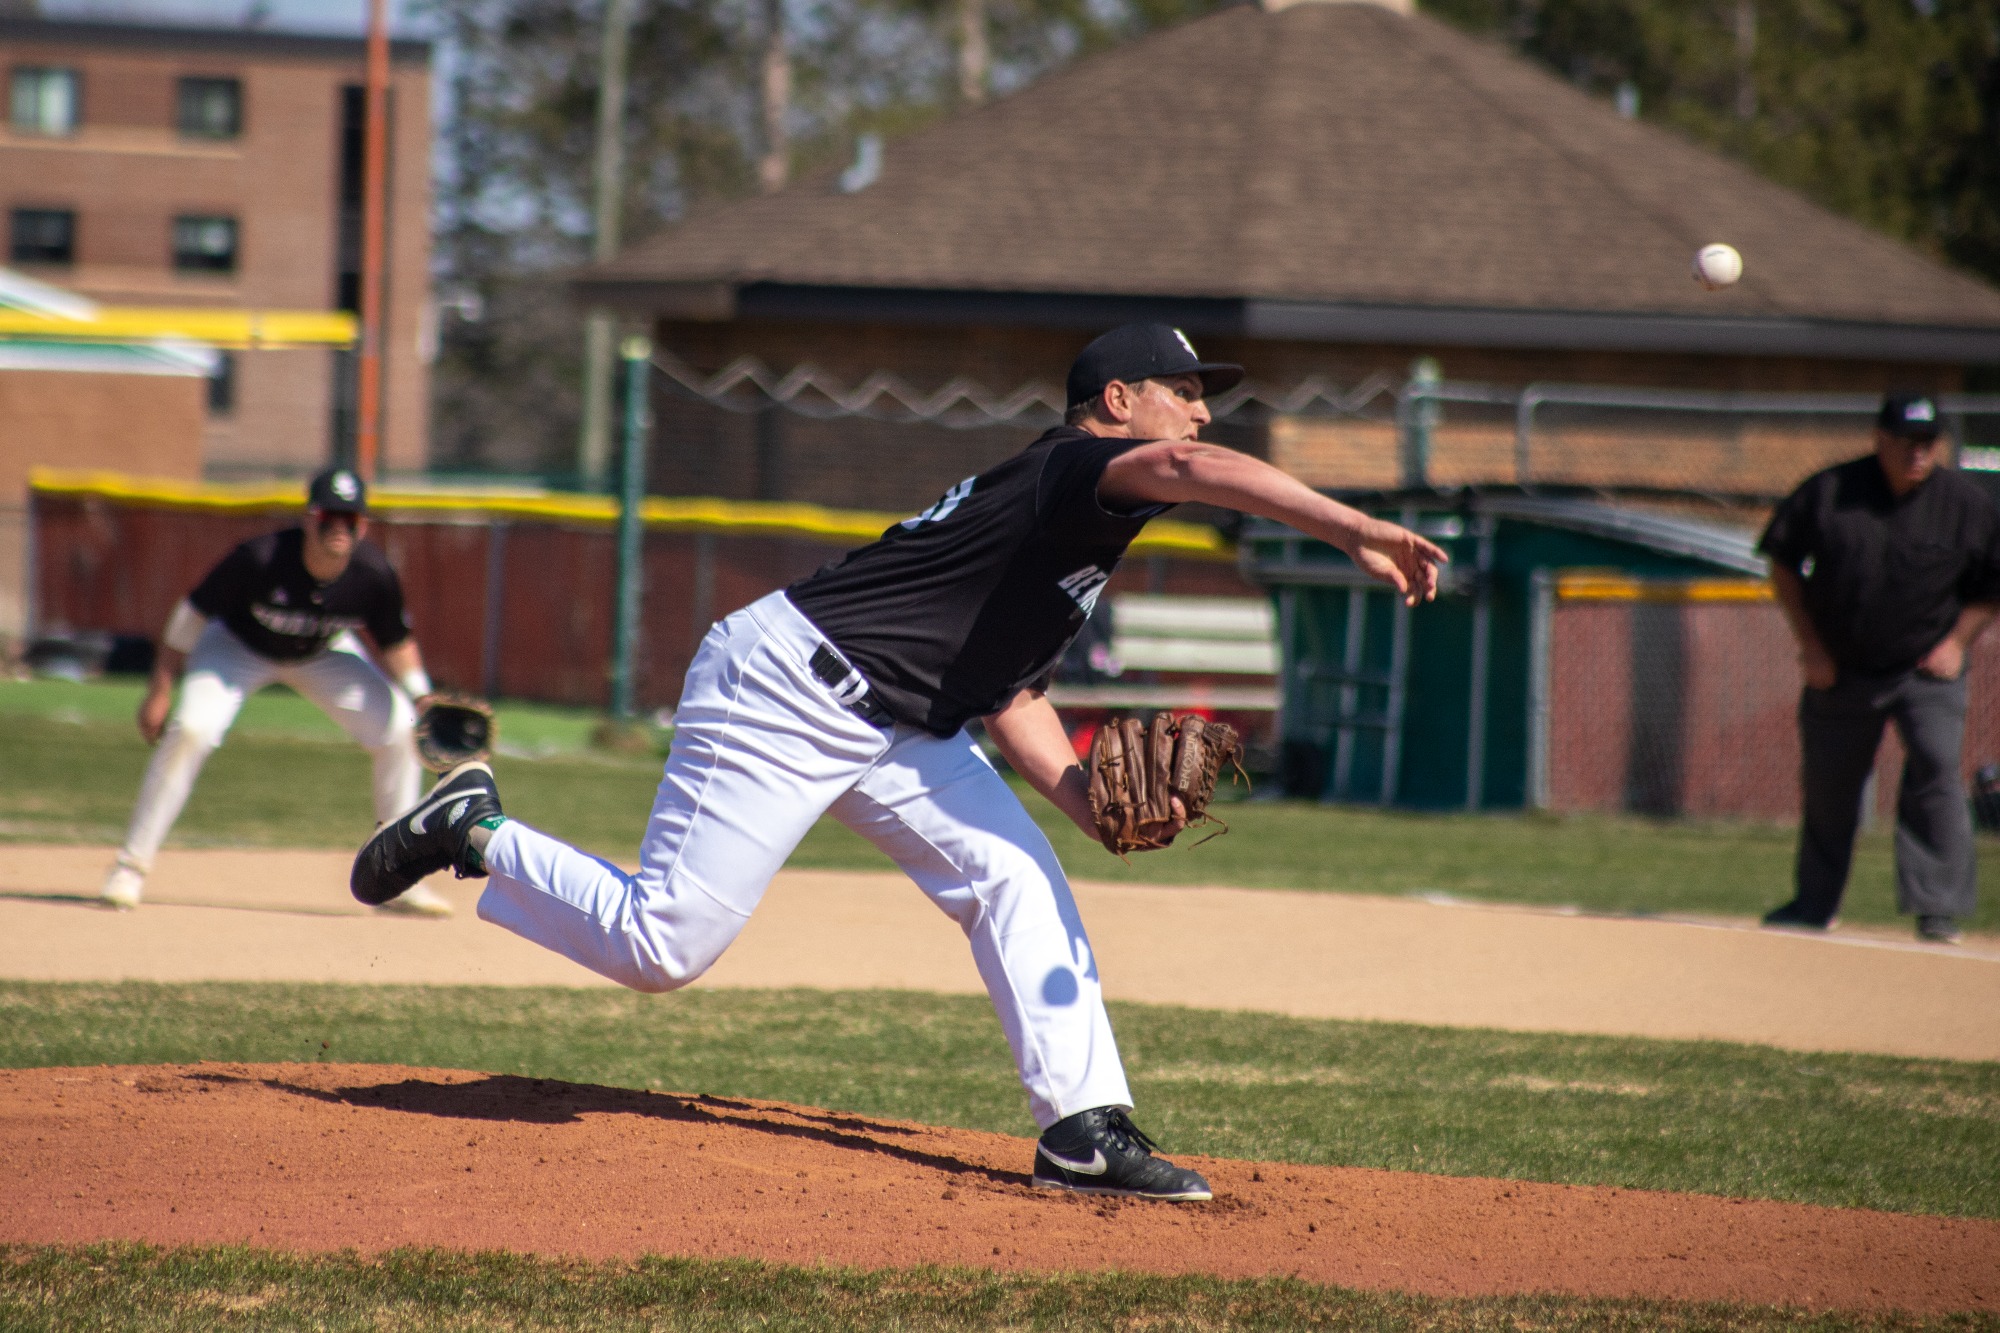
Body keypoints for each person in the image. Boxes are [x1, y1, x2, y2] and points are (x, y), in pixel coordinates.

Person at [352, 323, 1446, 1198]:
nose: (1200, 407)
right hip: (784, 686)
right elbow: (1191, 461)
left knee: (1015, 877)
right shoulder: (1077, 469)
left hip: (904, 726)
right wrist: (1348, 527)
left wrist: (1081, 802)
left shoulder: (1073, 539)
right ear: (1117, 402)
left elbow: (1010, 691)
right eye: (1181, 386)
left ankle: (1081, 1129)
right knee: (663, 945)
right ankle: (474, 829)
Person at [101, 466, 451, 918]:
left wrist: (422, 697)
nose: (340, 529)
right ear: (310, 518)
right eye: (330, 517)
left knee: (402, 731)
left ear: (363, 525)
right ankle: (130, 868)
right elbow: (190, 616)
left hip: (320, 653)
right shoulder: (259, 558)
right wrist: (160, 687)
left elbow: (394, 641)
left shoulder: (371, 572)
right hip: (236, 646)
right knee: (192, 729)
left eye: (352, 520)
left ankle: (397, 880)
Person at [1759, 391, 2000, 945]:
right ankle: (1813, 904)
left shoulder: (1965, 504)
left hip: (1925, 672)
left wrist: (1958, 642)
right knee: (1828, 787)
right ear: (1880, 438)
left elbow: (1992, 583)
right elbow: (1782, 560)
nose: (1917, 454)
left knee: (1936, 774)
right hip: (1841, 669)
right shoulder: (1832, 492)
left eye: (1928, 443)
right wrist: (1810, 646)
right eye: (1906, 442)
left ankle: (1938, 909)